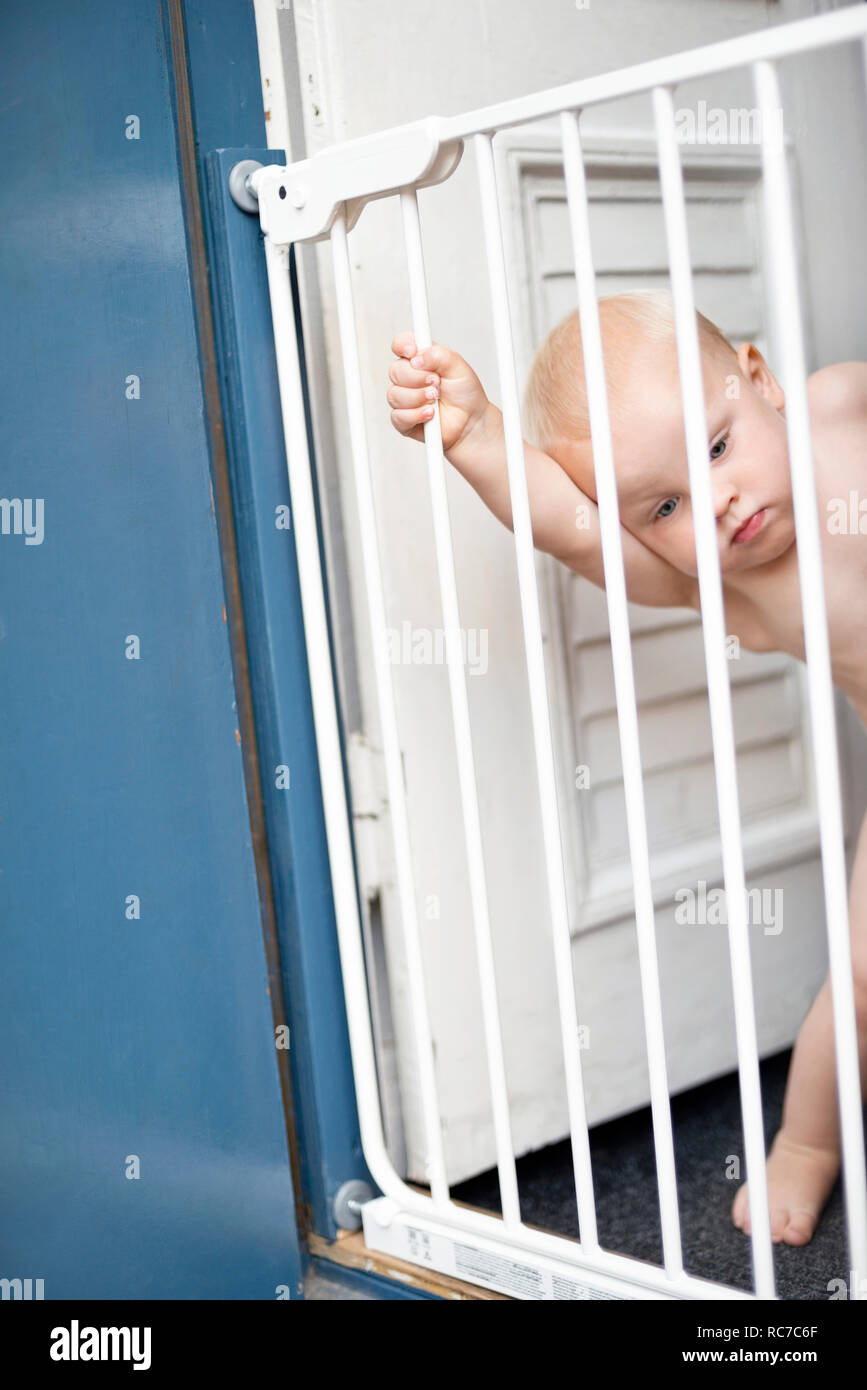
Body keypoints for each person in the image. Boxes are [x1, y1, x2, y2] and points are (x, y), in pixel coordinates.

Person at [385, 289, 867, 1245]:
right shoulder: (710, 581)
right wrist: (473, 434)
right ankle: (805, 1148)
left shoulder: (836, 413)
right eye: (664, 504)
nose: (715, 502)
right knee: (858, 978)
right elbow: (565, 524)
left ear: (760, 381)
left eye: (718, 448)